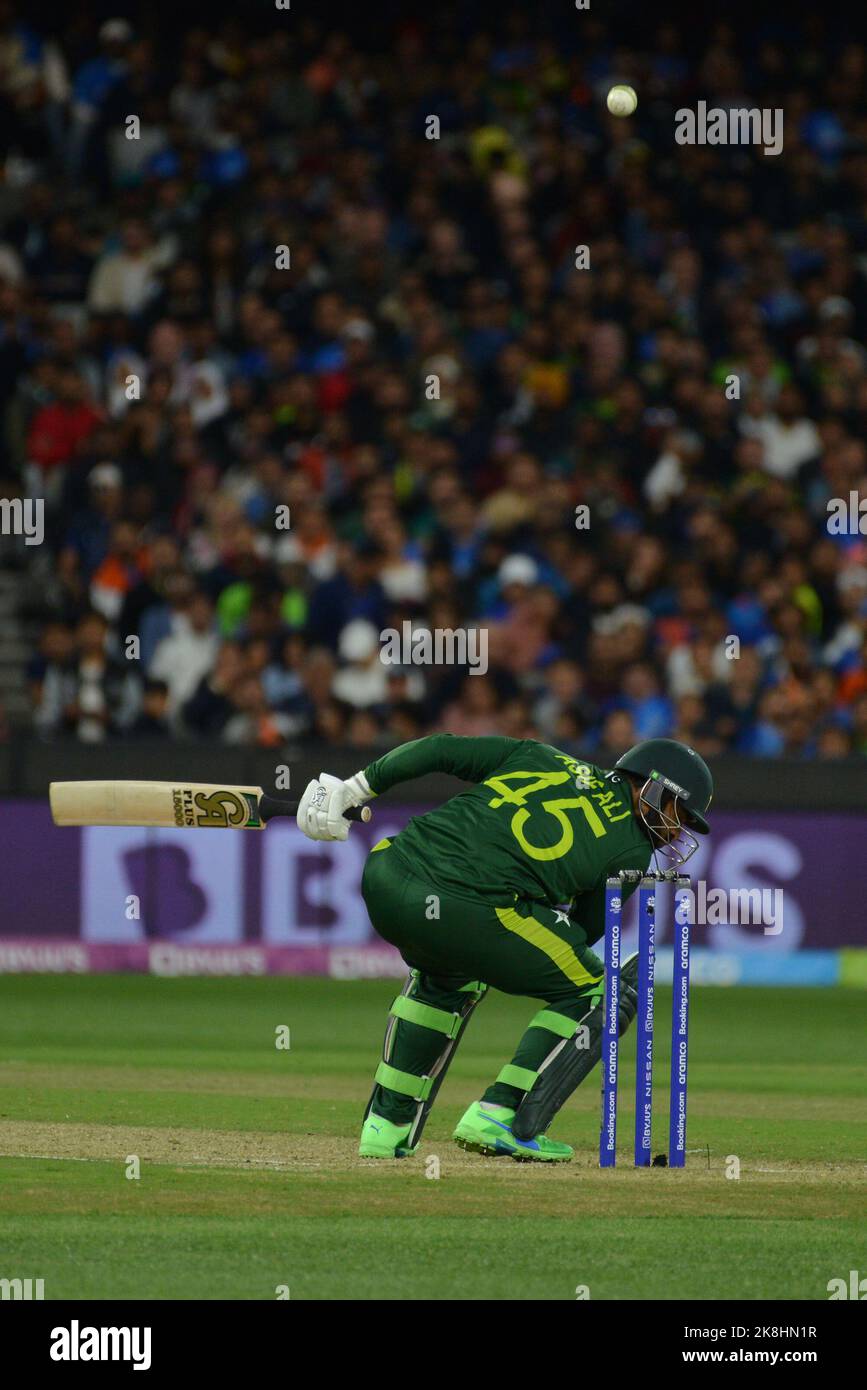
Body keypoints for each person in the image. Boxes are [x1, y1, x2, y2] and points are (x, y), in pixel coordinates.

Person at [296, 735, 713, 1163]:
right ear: (651, 789)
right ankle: (501, 1113)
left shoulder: (539, 755)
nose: (677, 831)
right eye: (678, 814)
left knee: (448, 974)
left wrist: (355, 788)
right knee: (598, 992)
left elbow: (439, 748)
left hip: (388, 873)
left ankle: (386, 1127)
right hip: (467, 907)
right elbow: (580, 934)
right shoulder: (632, 849)